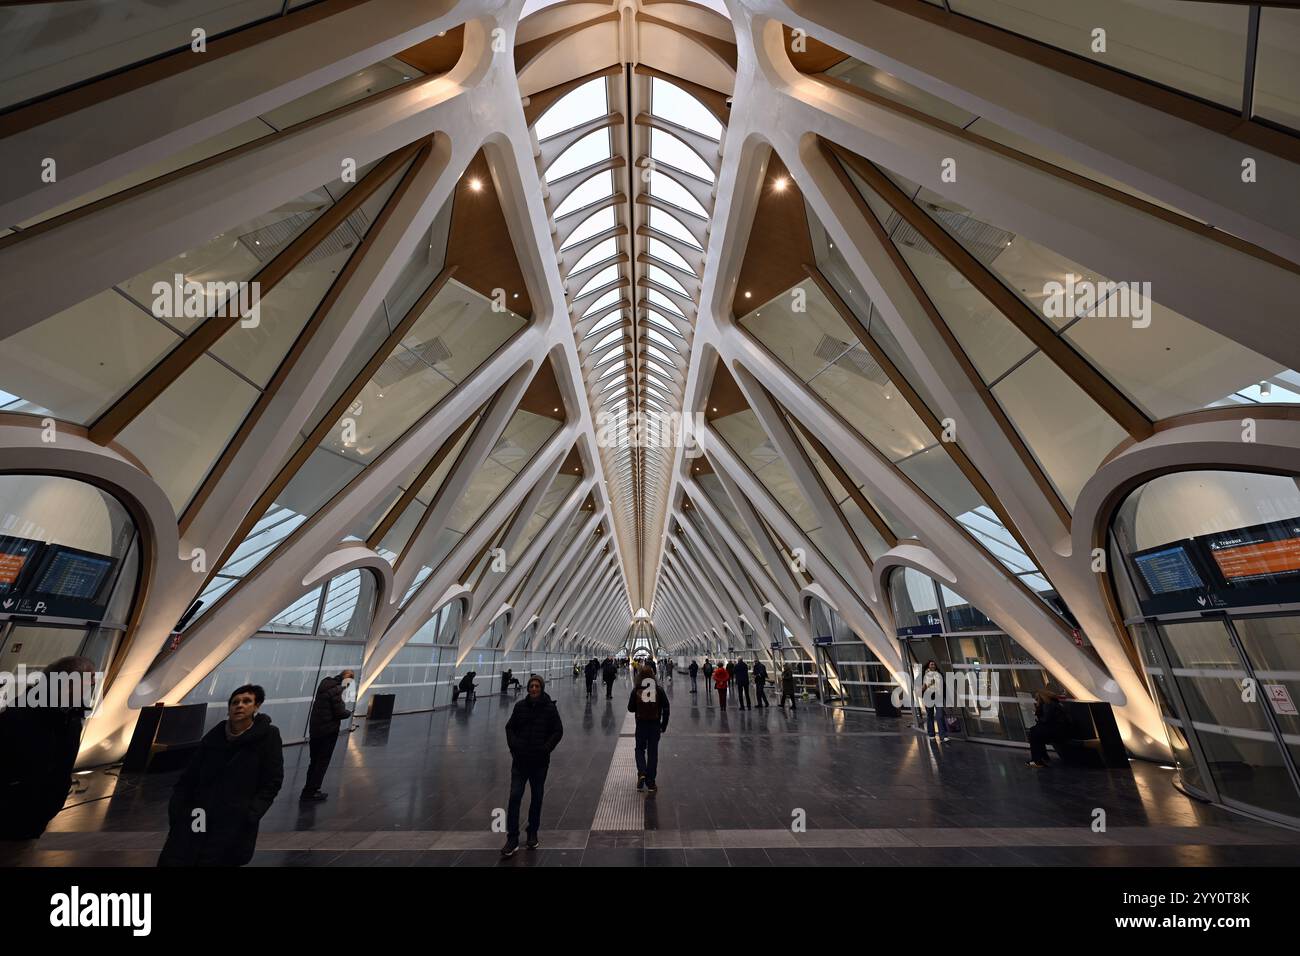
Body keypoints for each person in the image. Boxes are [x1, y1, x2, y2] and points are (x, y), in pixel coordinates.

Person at [158, 684, 284, 867]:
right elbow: (189, 777)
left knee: (219, 860)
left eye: (247, 701)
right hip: (199, 814)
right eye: (235, 702)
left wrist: (251, 813)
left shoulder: (268, 736)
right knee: (184, 854)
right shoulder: (214, 737)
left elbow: (273, 780)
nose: (239, 705)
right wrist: (178, 812)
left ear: (257, 706)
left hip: (234, 819)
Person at [0, 656, 97, 840]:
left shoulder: (71, 716)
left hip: (39, 810)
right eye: (88, 681)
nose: (91, 686)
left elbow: (62, 763)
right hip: (13, 807)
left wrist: (56, 795)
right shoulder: (21, 715)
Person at [502, 675, 563, 856]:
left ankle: (532, 832)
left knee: (537, 798)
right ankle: (512, 837)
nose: (534, 689)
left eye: (537, 686)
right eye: (531, 686)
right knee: (514, 797)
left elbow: (558, 731)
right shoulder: (520, 707)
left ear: (541, 688)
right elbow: (509, 727)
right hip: (520, 761)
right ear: (528, 688)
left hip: (539, 762)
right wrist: (514, 747)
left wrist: (546, 749)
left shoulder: (550, 709)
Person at [301, 669, 353, 802]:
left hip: (316, 729)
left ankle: (308, 789)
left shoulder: (325, 685)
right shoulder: (337, 690)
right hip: (328, 731)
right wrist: (348, 712)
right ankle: (313, 790)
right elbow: (339, 712)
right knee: (322, 761)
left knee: (314, 761)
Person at [628, 665, 671, 792]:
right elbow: (666, 708)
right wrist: (663, 725)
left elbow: (630, 708)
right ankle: (651, 782)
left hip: (641, 724)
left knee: (639, 749)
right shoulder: (658, 690)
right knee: (653, 753)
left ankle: (641, 772)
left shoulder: (636, 690)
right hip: (654, 725)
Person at [1027, 689, 1072, 768]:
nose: (1036, 700)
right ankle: (1041, 758)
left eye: (1037, 698)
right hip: (1059, 729)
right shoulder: (1053, 704)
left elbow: (1045, 720)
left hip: (1057, 731)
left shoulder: (1048, 705)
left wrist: (1037, 713)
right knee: (1034, 732)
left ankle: (1038, 760)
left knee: (1034, 734)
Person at [921, 660, 949, 741]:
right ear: (928, 666)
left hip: (939, 697)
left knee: (940, 716)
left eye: (934, 664)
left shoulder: (939, 675)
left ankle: (943, 736)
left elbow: (944, 687)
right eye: (931, 664)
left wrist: (946, 699)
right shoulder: (924, 675)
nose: (933, 665)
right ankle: (931, 734)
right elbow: (921, 689)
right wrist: (929, 684)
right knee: (930, 716)